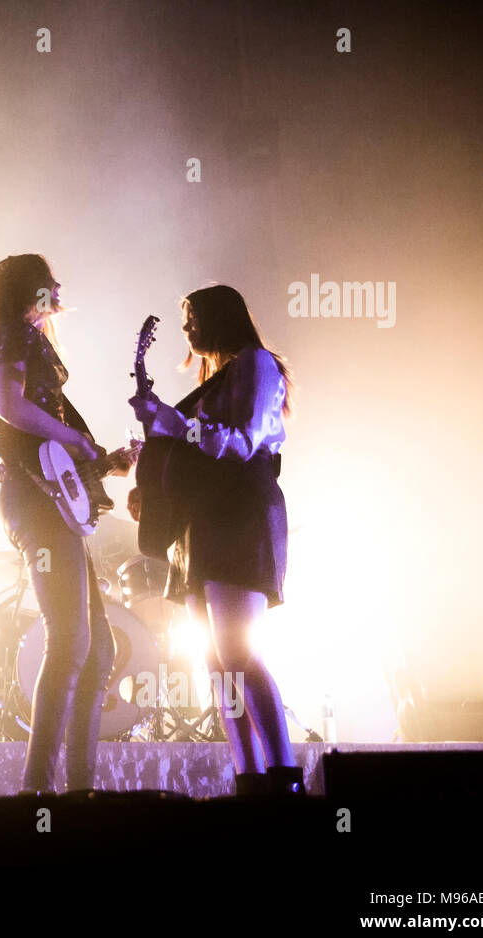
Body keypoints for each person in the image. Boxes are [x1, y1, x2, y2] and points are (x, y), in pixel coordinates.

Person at [0, 254, 137, 793]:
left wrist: (103, 460)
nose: (59, 288)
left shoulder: (13, 338)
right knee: (69, 642)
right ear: (32, 293)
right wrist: (77, 440)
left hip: (43, 499)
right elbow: (9, 405)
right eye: (49, 282)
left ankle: (80, 790)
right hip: (37, 505)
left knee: (98, 651)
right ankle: (35, 791)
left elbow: (32, 439)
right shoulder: (17, 335)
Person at [127, 284, 302, 794]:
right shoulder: (219, 374)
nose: (186, 329)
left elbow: (245, 444)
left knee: (237, 653)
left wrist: (175, 425)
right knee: (215, 661)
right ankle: (249, 777)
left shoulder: (256, 363)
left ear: (220, 317)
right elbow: (197, 453)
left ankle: (284, 773)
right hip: (201, 520)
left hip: (240, 510)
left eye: (193, 318)